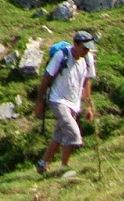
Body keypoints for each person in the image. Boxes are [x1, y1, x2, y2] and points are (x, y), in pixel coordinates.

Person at [34, 29, 96, 174]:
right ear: (75, 44)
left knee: (60, 134)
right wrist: (39, 102)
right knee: (73, 134)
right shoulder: (62, 56)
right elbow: (46, 79)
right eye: (84, 48)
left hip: (74, 102)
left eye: (89, 48)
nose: (87, 51)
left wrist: (88, 106)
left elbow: (87, 81)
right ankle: (64, 167)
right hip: (57, 100)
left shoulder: (88, 59)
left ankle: (43, 164)